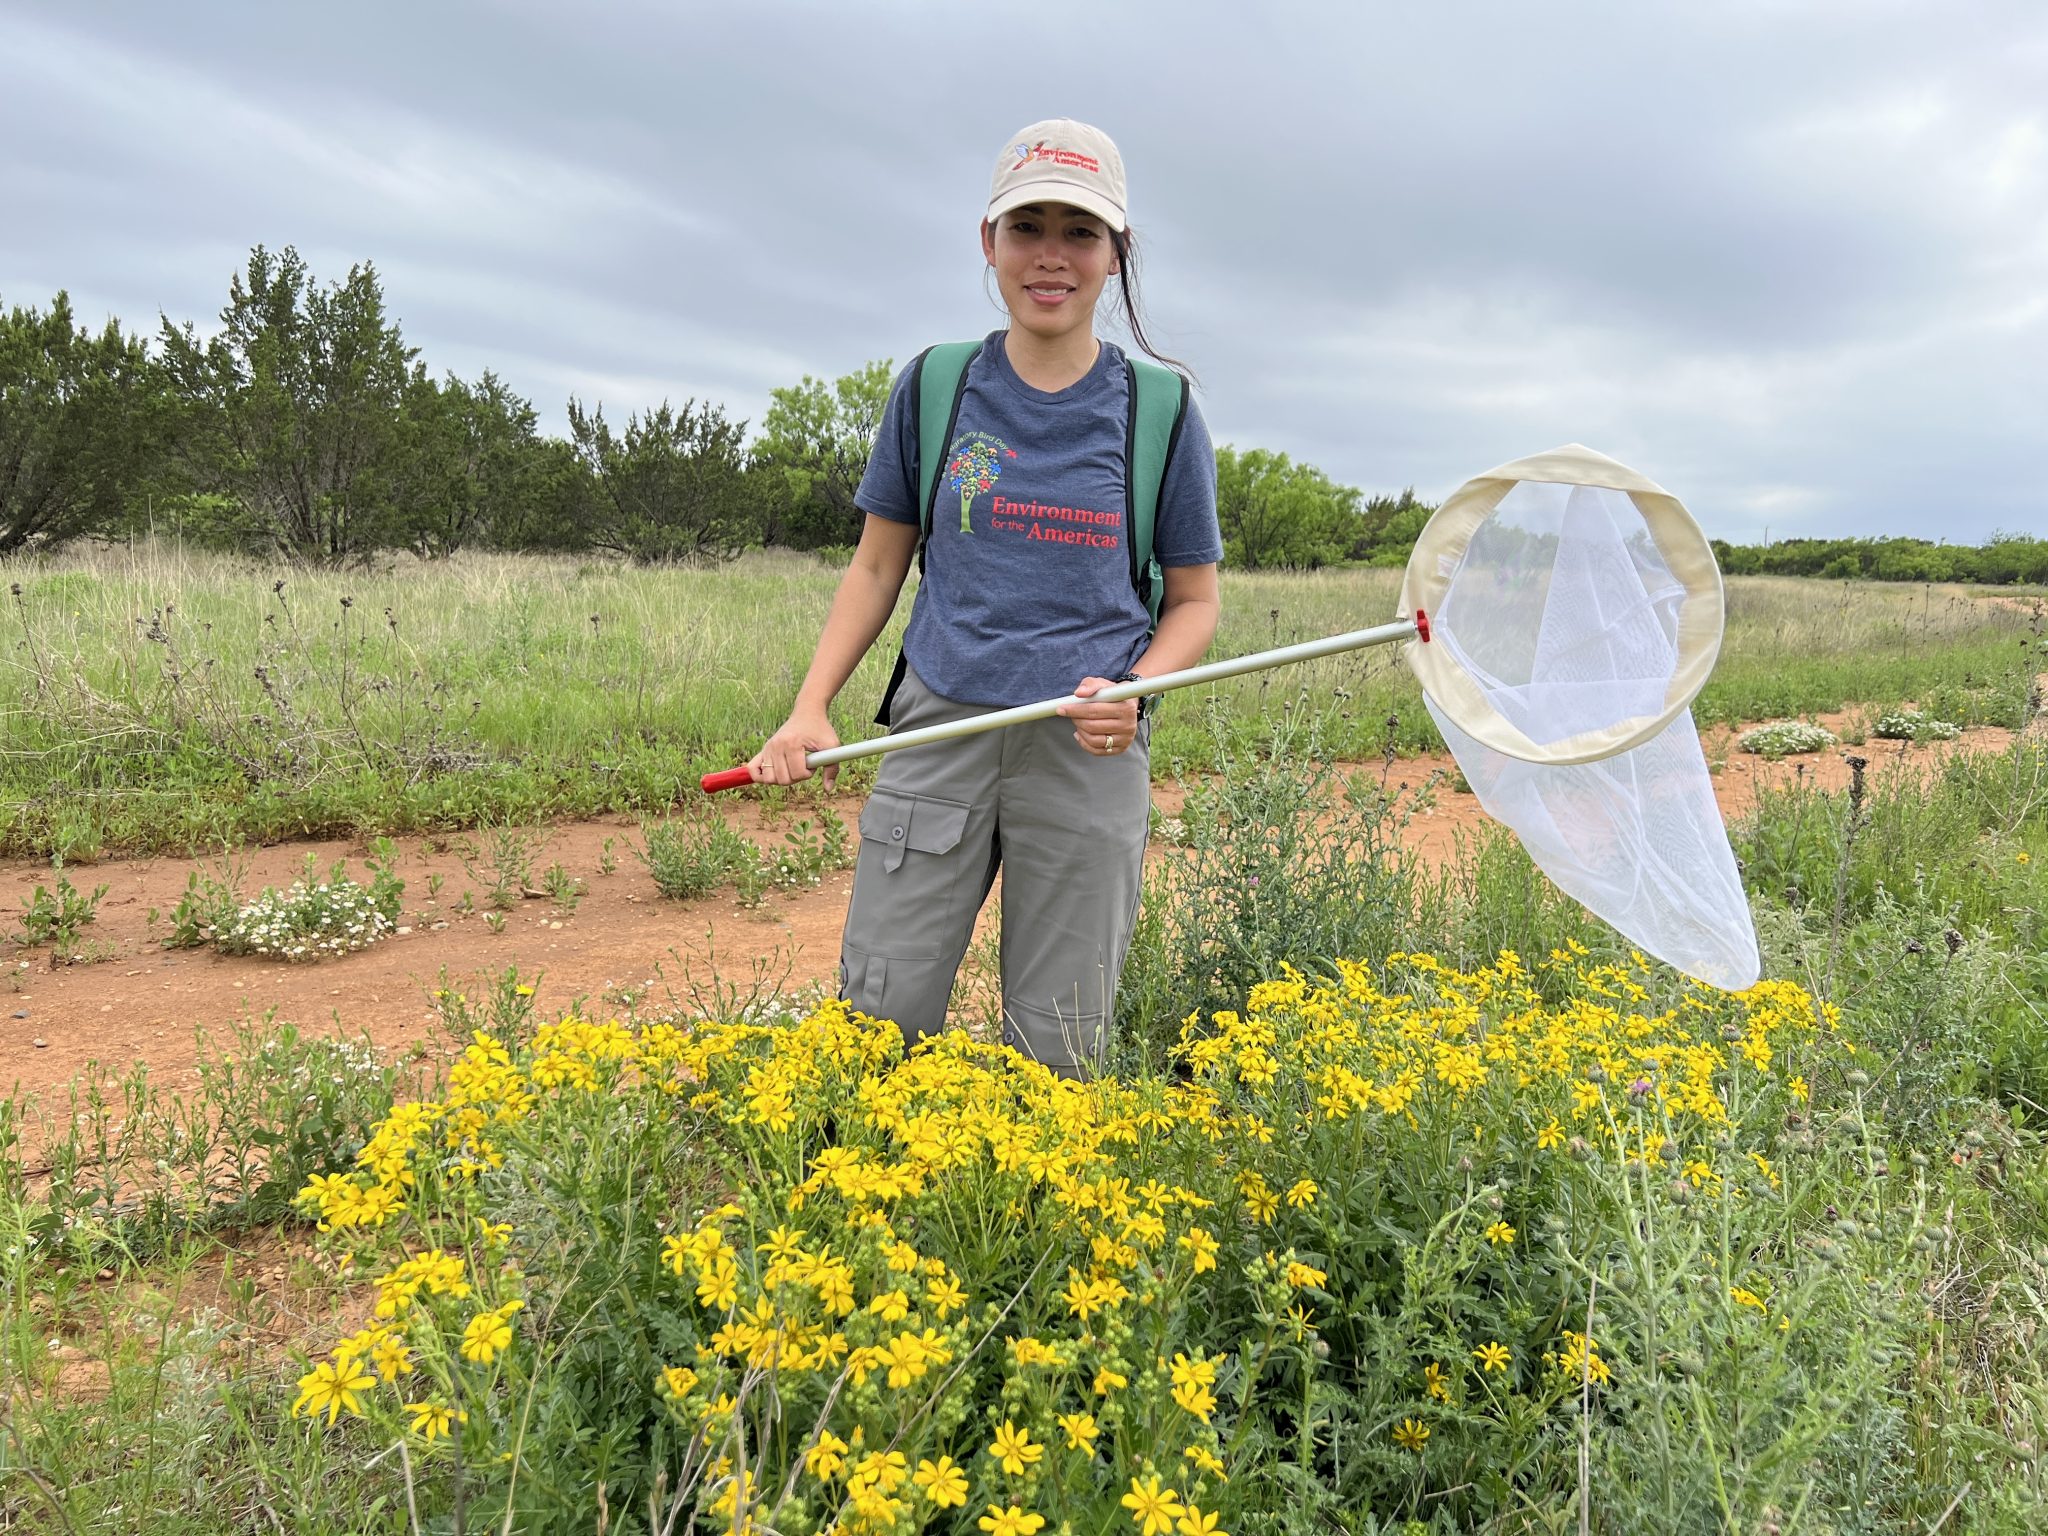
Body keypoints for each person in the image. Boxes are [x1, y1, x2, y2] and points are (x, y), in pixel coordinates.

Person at [747, 117, 1222, 1076]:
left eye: (1081, 233)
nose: (1052, 257)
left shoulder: (1163, 412)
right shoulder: (935, 386)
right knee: (879, 1021)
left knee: (1061, 1045)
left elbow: (1195, 602)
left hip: (1083, 749)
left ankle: (1029, 1218)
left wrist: (1133, 690)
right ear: (988, 242)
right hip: (938, 732)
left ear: (1116, 253)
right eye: (1027, 227)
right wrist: (809, 709)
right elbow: (878, 566)